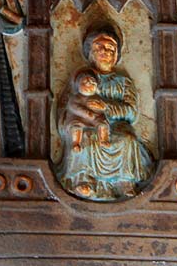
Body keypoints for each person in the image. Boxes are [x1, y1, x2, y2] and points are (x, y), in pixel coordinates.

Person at [57, 26, 153, 200]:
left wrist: (106, 107)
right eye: (99, 48)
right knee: (82, 138)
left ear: (116, 55)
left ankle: (123, 181)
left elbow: (131, 112)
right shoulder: (81, 79)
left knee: (127, 140)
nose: (105, 52)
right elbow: (66, 105)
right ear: (91, 53)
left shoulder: (122, 82)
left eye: (110, 49)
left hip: (116, 125)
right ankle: (84, 179)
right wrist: (78, 116)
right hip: (87, 124)